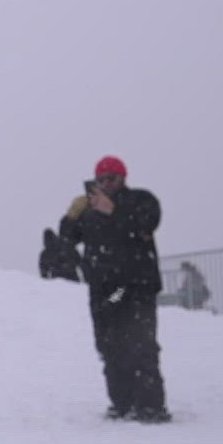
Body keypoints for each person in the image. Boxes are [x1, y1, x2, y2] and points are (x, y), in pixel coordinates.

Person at [59, 156, 170, 423]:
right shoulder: (91, 211)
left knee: (140, 342)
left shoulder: (140, 200)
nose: (106, 183)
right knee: (110, 344)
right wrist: (72, 217)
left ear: (123, 178)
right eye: (101, 179)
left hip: (135, 286)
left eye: (112, 178)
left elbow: (146, 225)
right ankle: (122, 402)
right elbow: (66, 241)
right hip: (106, 290)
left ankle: (150, 405)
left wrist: (114, 211)